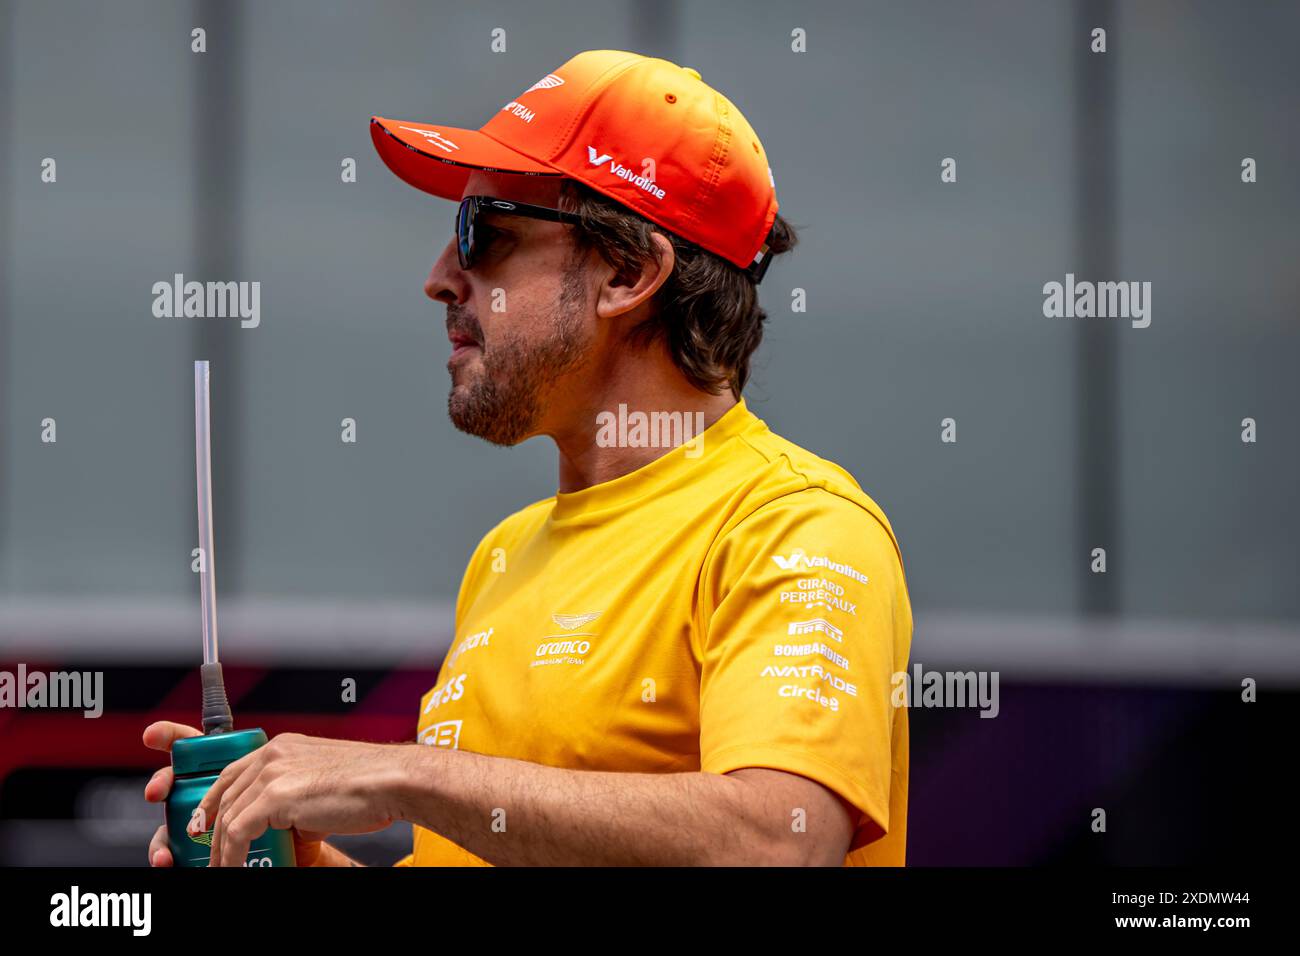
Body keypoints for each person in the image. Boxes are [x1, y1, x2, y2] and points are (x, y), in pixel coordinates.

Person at [145, 49, 912, 867]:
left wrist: (408, 776)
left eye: (487, 234)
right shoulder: (504, 555)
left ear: (628, 272)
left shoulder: (795, 527)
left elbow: (778, 839)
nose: (440, 278)